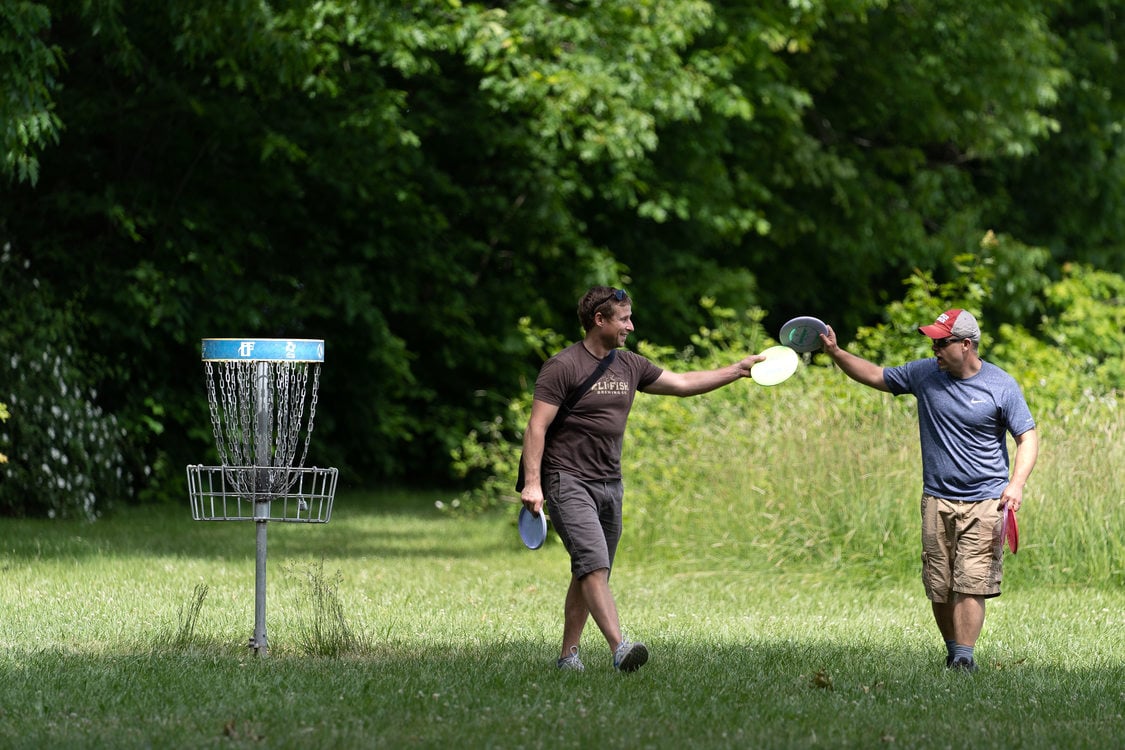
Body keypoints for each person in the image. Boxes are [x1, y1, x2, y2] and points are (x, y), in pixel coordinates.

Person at [520, 286, 764, 673]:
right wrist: (533, 483)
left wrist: (738, 370)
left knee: (588, 568)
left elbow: (683, 383)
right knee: (594, 566)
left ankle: (568, 656)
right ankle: (620, 649)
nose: (630, 326)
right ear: (599, 320)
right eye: (623, 319)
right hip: (568, 480)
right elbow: (536, 427)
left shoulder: (630, 365)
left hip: (610, 483)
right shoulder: (562, 366)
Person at [819, 308, 1039, 672]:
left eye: (942, 342)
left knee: (971, 581)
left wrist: (1016, 485)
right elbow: (876, 375)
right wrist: (837, 354)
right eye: (933, 342)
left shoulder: (1001, 385)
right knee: (940, 583)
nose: (934, 348)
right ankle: (953, 650)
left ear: (966, 345)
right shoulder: (924, 374)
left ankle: (964, 659)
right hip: (936, 499)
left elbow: (1026, 437)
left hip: (986, 500)